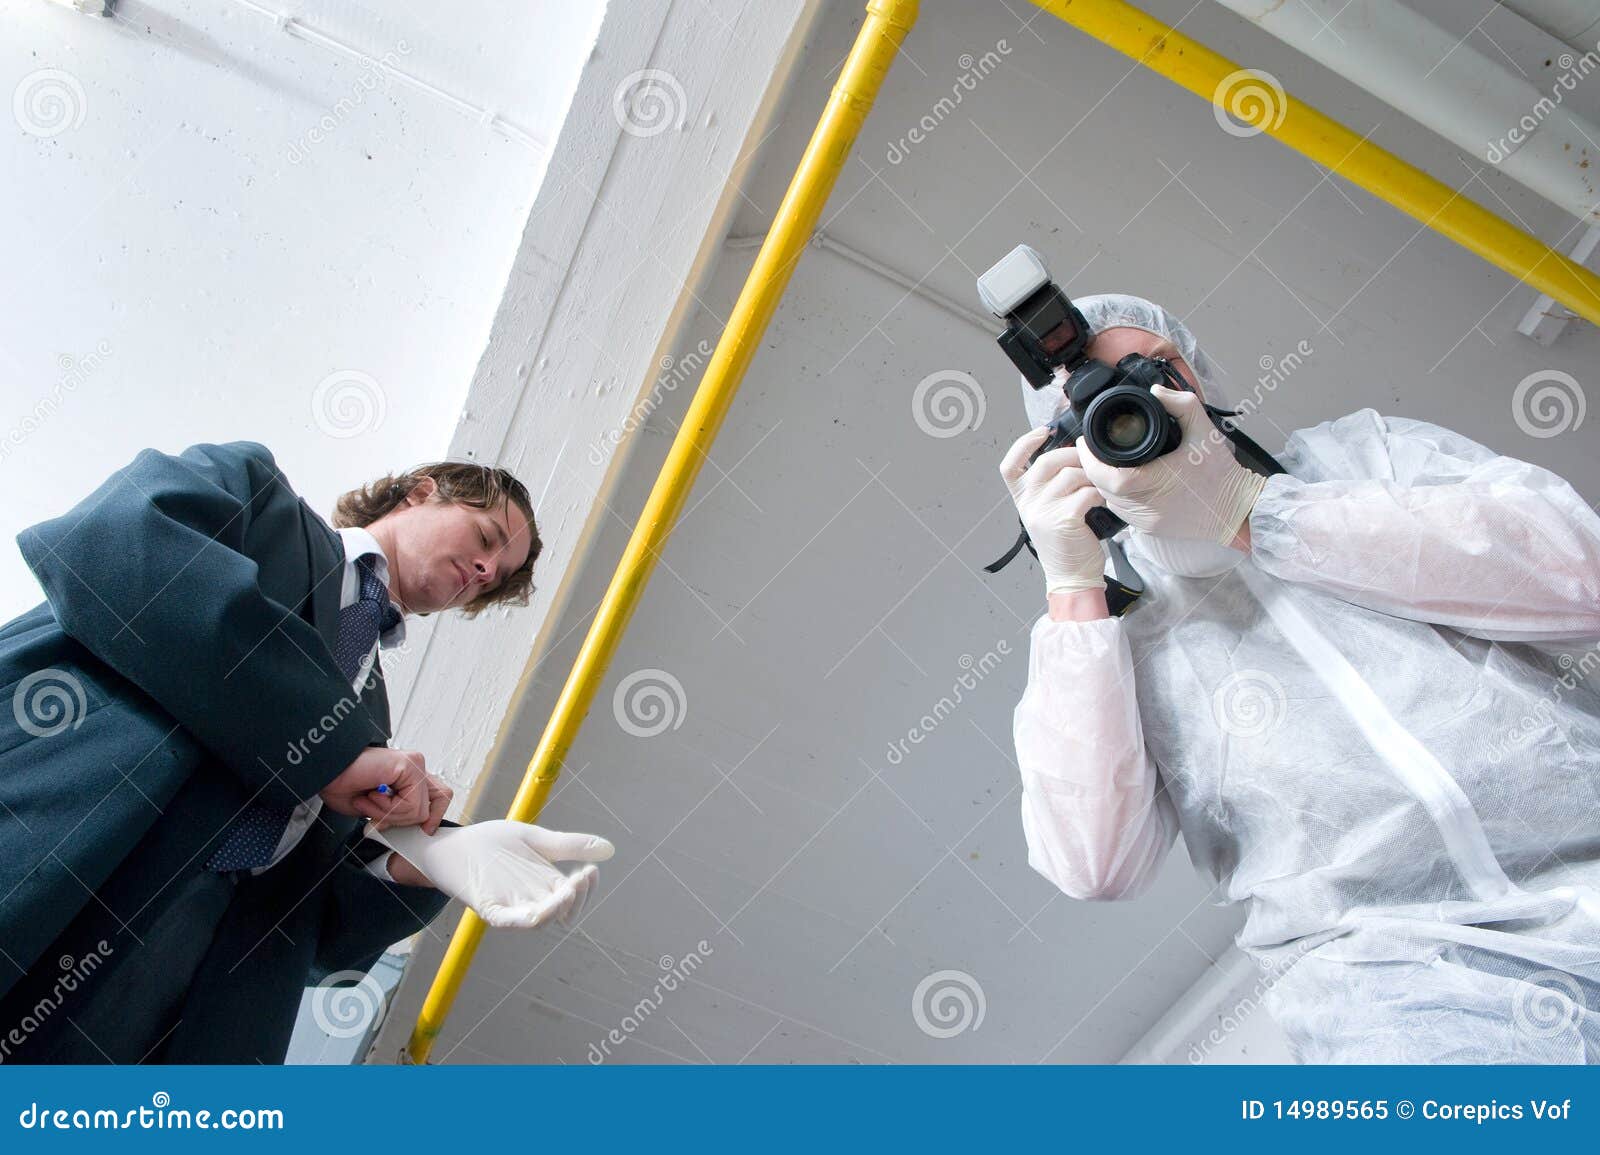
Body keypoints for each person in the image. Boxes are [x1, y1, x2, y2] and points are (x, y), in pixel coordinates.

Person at [1000, 293, 1600, 1064]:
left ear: (1200, 375)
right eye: (1088, 411)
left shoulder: (1364, 459)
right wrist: (1073, 590)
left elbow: (1580, 574)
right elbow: (1096, 863)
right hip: (1394, 993)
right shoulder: (1110, 634)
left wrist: (1252, 511)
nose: (1133, 406)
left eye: (1150, 372)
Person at [0, 441, 613, 1063]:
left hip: (169, 995)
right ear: (421, 491)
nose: (484, 572)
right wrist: (332, 753)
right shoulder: (255, 497)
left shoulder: (371, 723)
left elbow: (315, 935)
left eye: (497, 578)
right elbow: (111, 544)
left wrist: (422, 862)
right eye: (485, 540)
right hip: (49, 854)